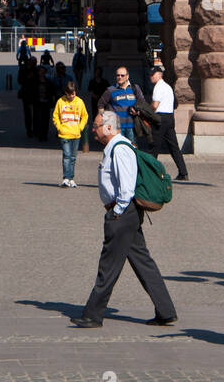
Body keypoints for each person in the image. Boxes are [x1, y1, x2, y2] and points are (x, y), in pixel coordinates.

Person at [72, 110, 177, 328]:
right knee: (143, 262)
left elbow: (126, 187)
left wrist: (117, 212)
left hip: (123, 213)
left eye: (97, 126)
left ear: (109, 128)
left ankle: (93, 315)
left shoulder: (119, 150)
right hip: (125, 213)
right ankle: (166, 311)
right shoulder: (115, 148)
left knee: (108, 265)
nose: (94, 130)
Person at [149, 64, 188, 181]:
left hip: (160, 118)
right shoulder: (167, 87)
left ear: (159, 74)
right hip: (170, 118)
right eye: (150, 75)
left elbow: (155, 105)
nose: (151, 77)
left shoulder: (158, 87)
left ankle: (150, 173)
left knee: (153, 147)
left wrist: (147, 111)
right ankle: (183, 172)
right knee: (173, 147)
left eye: (153, 74)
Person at [52, 79, 88, 187]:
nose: (72, 96)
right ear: (66, 93)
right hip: (64, 133)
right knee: (67, 156)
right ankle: (66, 178)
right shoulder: (60, 101)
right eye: (70, 94)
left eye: (73, 93)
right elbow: (55, 116)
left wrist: (80, 127)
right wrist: (60, 127)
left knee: (73, 157)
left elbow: (85, 115)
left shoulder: (79, 102)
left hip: (76, 133)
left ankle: (71, 178)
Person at [98, 66, 146, 140]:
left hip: (132, 127)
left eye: (122, 75)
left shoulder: (135, 88)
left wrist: (138, 111)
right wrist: (105, 119)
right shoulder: (110, 90)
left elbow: (142, 103)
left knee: (132, 149)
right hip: (116, 128)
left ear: (127, 76)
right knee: (117, 149)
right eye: (118, 75)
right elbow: (100, 104)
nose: (120, 77)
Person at [19, 58, 39, 138]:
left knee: (36, 113)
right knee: (28, 113)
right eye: (33, 63)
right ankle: (29, 130)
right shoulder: (23, 69)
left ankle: (34, 129)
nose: (34, 64)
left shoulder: (36, 69)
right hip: (26, 93)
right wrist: (28, 78)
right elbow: (20, 80)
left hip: (35, 93)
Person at [34, 64, 53, 143]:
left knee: (46, 119)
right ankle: (39, 134)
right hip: (38, 103)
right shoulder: (35, 81)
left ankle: (45, 134)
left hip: (46, 103)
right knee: (38, 119)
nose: (42, 73)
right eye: (40, 71)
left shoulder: (48, 82)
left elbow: (52, 92)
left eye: (43, 72)